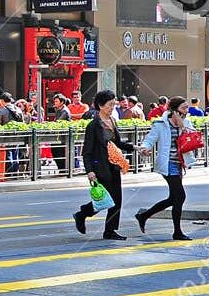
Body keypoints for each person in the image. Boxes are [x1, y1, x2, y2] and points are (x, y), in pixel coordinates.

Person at [136, 97, 194, 240]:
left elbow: (193, 138)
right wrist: (144, 148)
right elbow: (150, 139)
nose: (186, 111)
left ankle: (144, 216)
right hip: (168, 163)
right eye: (183, 108)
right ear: (174, 110)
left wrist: (182, 125)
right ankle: (177, 232)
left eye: (186, 108)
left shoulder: (186, 122)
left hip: (180, 163)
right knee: (180, 196)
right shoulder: (161, 124)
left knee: (173, 198)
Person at [74, 90, 127, 240]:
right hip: (100, 167)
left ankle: (110, 230)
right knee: (106, 199)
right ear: (100, 106)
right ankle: (83, 213)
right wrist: (89, 171)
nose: (112, 107)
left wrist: (135, 148)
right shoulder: (93, 126)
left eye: (114, 104)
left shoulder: (113, 121)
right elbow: (87, 152)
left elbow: (118, 143)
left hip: (114, 165)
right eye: (110, 105)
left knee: (117, 200)